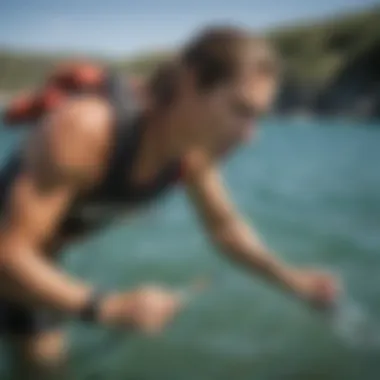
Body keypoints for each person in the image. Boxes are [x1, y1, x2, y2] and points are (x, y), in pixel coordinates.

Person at [0, 26, 338, 379]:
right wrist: (110, 307)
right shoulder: (87, 128)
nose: (249, 135)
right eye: (240, 109)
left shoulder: (191, 151)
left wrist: (294, 280)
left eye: (257, 116)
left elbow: (225, 228)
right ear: (191, 82)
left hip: (34, 262)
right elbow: (8, 255)